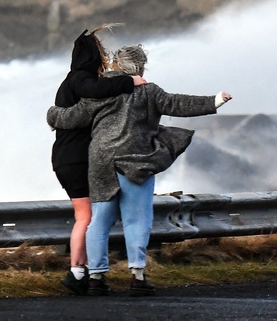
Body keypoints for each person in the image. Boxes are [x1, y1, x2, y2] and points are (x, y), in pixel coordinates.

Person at [47, 44, 231, 296]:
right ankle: (137, 277)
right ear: (141, 66)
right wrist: (214, 101)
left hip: (102, 161)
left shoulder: (100, 91)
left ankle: (96, 278)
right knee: (136, 219)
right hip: (137, 161)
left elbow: (73, 117)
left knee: (99, 220)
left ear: (115, 64)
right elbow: (176, 104)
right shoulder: (148, 91)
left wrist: (52, 114)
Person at [51, 25, 146, 296]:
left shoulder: (72, 81)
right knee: (87, 217)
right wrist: (129, 82)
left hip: (68, 158)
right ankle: (77, 272)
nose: (103, 56)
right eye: (99, 52)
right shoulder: (79, 78)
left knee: (88, 216)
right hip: (75, 159)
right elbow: (94, 89)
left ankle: (84, 271)